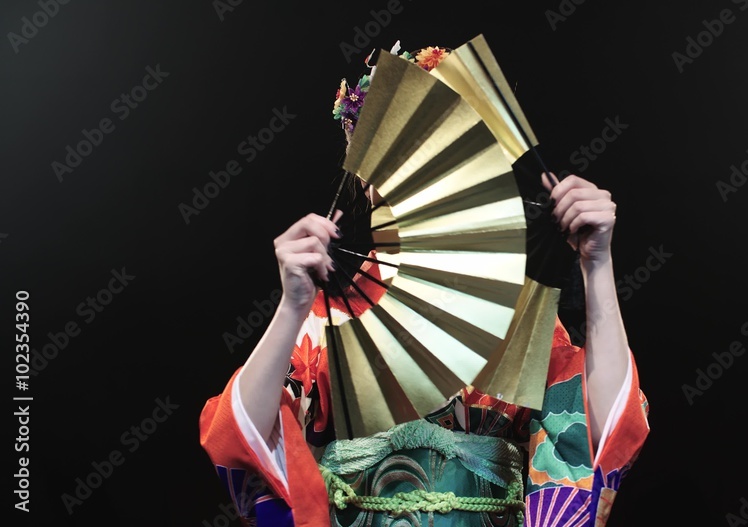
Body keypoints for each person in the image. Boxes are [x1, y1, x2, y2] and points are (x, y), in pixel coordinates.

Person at [199, 43, 649, 527]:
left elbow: (600, 432)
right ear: (364, 176)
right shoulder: (333, 315)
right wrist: (291, 307)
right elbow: (242, 435)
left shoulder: (513, 310)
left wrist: (596, 267)